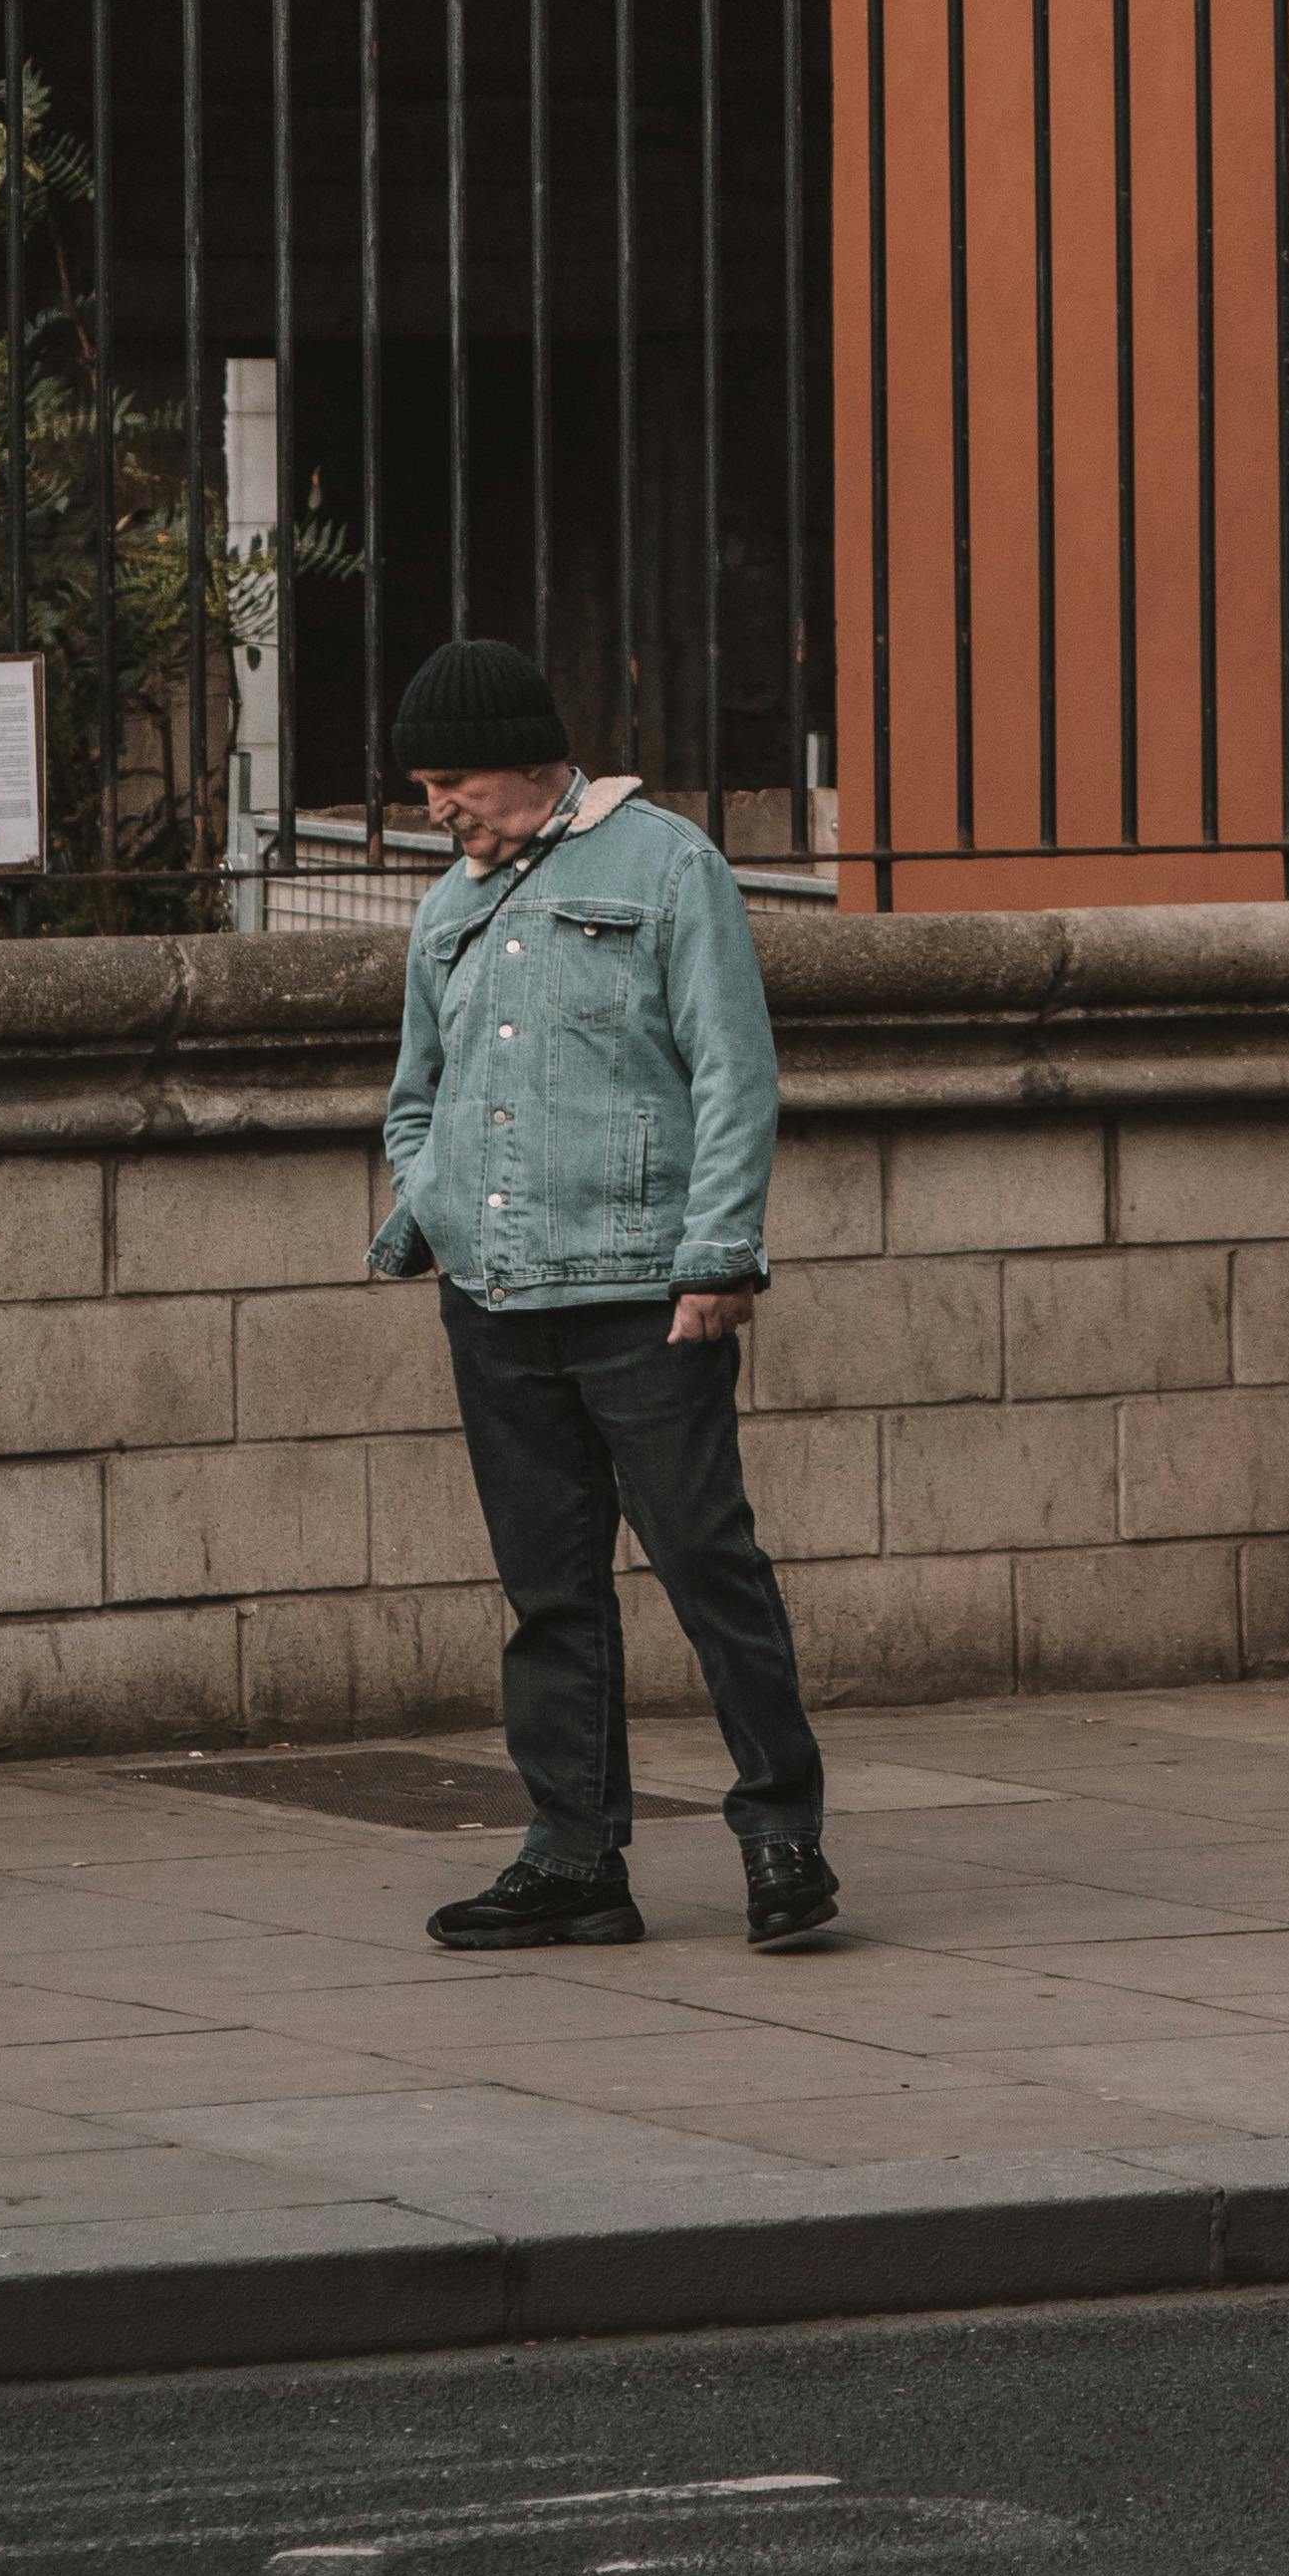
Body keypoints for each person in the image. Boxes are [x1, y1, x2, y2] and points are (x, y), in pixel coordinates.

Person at [368, 634, 840, 1953]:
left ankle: (782, 1836)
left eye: (453, 779)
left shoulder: (667, 865)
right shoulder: (445, 905)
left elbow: (733, 1074)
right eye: (420, 786)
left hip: (647, 1294)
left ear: (532, 762)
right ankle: (576, 1857)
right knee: (549, 1591)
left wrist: (718, 1257)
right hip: (494, 1296)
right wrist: (435, 1204)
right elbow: (417, 1096)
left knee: (707, 1565)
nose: (435, 809)